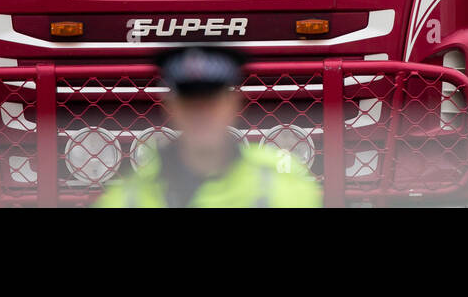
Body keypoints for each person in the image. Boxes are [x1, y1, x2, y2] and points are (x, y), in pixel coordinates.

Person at [96, 46, 322, 208]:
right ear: (170, 107)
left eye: (211, 101)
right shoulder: (126, 198)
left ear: (234, 104)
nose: (201, 114)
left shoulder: (289, 188)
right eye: (191, 102)